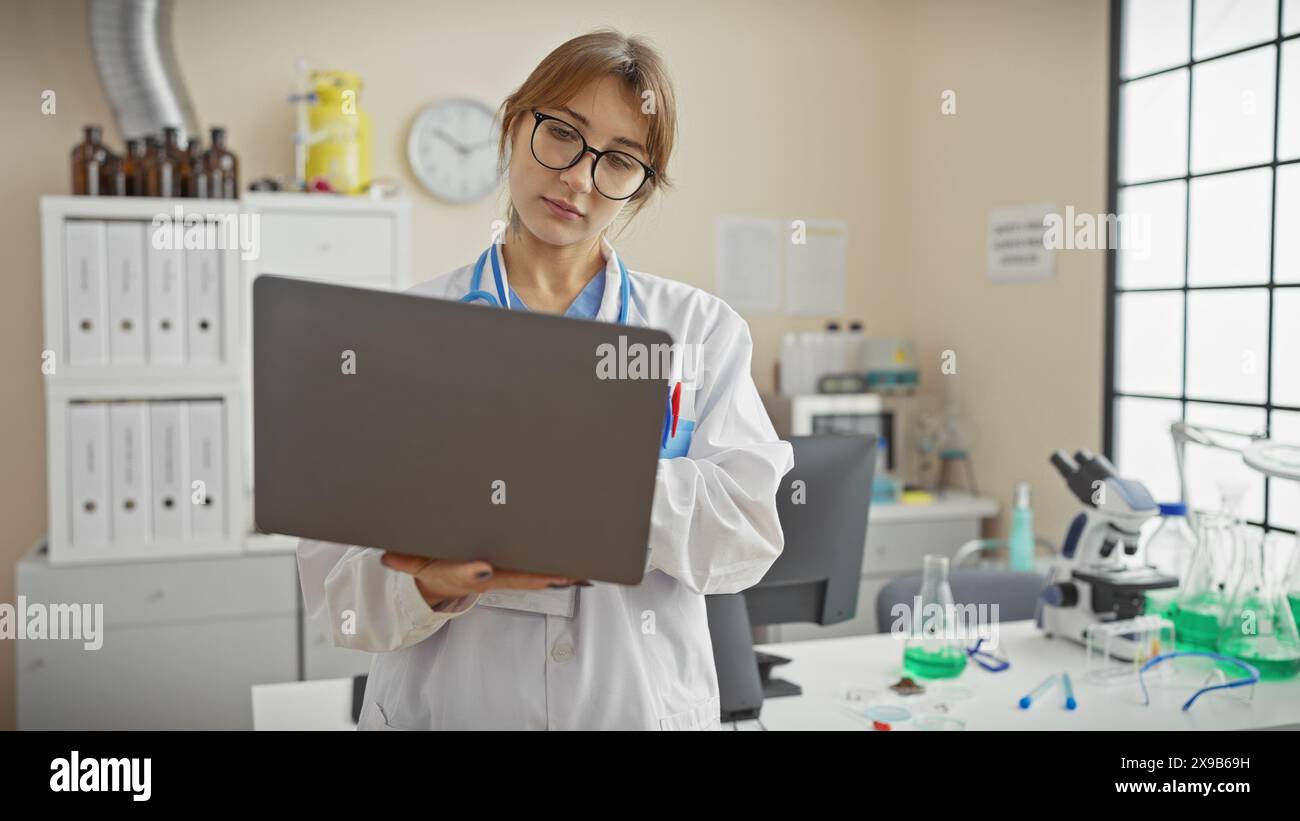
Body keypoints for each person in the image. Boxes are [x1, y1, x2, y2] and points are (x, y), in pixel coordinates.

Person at [298, 28, 793, 730]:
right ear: (513, 126)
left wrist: (604, 482)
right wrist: (427, 586)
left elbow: (746, 537)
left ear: (640, 188)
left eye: (619, 161)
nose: (579, 179)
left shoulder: (699, 332)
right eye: (562, 134)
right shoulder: (398, 333)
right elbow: (335, 595)